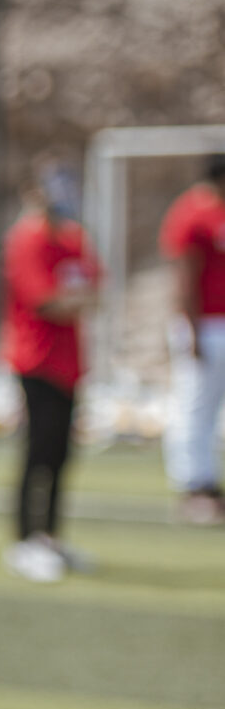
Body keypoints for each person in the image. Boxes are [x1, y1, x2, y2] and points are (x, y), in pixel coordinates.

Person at [0, 158, 100, 584]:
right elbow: (46, 301)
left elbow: (95, 290)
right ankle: (24, 540)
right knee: (37, 451)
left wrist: (73, 299)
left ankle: (52, 536)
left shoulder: (76, 238)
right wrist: (72, 299)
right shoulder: (26, 239)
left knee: (62, 455)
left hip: (70, 364)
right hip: (36, 360)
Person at [159, 154, 225, 524]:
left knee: (214, 410)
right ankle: (193, 485)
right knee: (194, 406)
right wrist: (191, 327)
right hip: (204, 325)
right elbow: (184, 275)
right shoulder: (191, 213)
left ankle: (211, 482)